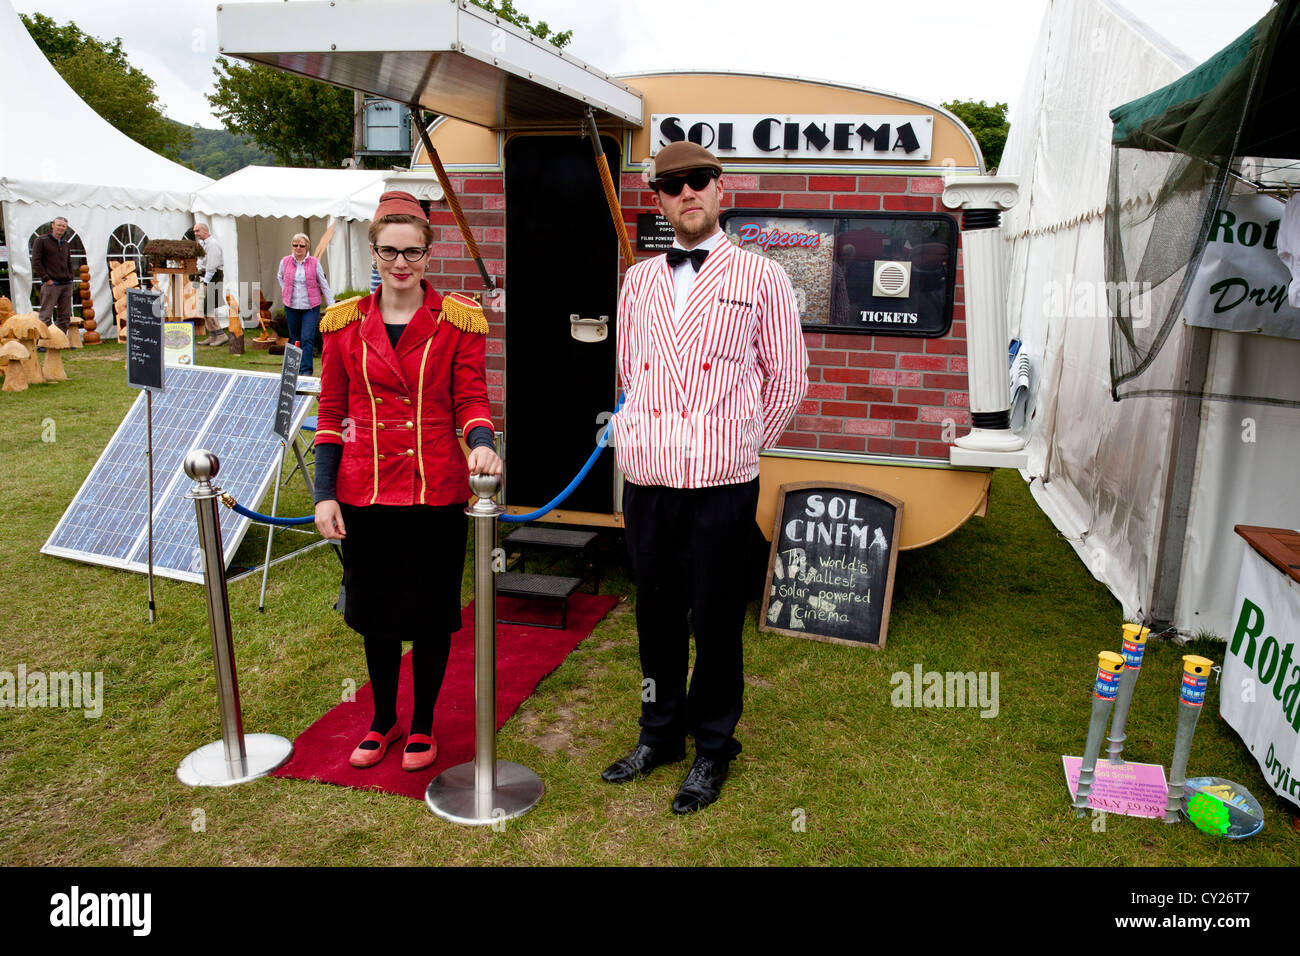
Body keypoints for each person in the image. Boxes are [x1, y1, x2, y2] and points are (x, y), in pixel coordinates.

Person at [604, 142, 809, 813]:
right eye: (670, 186)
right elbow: (632, 374)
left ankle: (714, 746)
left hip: (722, 482)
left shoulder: (762, 278)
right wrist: (640, 437)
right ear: (658, 199)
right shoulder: (637, 282)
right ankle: (658, 733)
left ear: (719, 189)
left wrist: (739, 444)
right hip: (651, 480)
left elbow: (788, 378)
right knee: (655, 616)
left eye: (697, 181)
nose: (685, 193)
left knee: (716, 620)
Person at [312, 191, 501, 772]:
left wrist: (483, 444)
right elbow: (330, 413)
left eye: (412, 252)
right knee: (374, 613)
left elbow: (470, 396)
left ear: (428, 252)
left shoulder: (458, 321)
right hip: (364, 491)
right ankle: (382, 719)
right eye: (389, 251)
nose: (401, 263)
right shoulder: (343, 325)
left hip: (434, 490)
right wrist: (323, 494)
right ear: (372, 250)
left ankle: (422, 723)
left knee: (430, 612)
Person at [277, 233, 334, 375]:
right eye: (295, 245)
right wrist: (286, 290)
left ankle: (306, 371)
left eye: (301, 245)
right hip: (291, 306)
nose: (298, 248)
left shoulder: (314, 263)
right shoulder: (285, 261)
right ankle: (293, 370)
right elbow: (280, 276)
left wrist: (332, 305)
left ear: (307, 246)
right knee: (295, 338)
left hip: (310, 307)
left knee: (307, 338)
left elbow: (323, 283)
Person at [32, 217, 74, 334]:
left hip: (66, 284)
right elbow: (36, 262)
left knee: (65, 316)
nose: (61, 228)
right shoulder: (41, 240)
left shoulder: (66, 244)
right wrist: (46, 278)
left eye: (63, 226)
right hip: (51, 284)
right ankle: (41, 343)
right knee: (45, 315)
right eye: (59, 225)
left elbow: (69, 262)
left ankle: (60, 341)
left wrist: (71, 277)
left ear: (66, 228)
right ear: (52, 225)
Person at [193, 223, 227, 346]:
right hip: (205, 277)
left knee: (209, 308)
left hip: (213, 277)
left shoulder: (213, 244)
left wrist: (206, 283)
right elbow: (201, 263)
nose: (195, 233)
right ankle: (212, 336)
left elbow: (212, 267)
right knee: (204, 308)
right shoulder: (202, 244)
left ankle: (221, 335)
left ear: (205, 231)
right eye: (194, 231)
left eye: (197, 231)